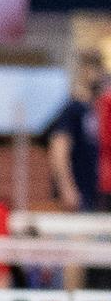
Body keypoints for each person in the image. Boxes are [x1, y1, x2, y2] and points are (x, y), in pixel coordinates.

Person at [44, 61, 100, 213]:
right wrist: (66, 188)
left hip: (91, 193)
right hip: (76, 195)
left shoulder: (92, 110)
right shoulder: (72, 110)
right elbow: (58, 150)